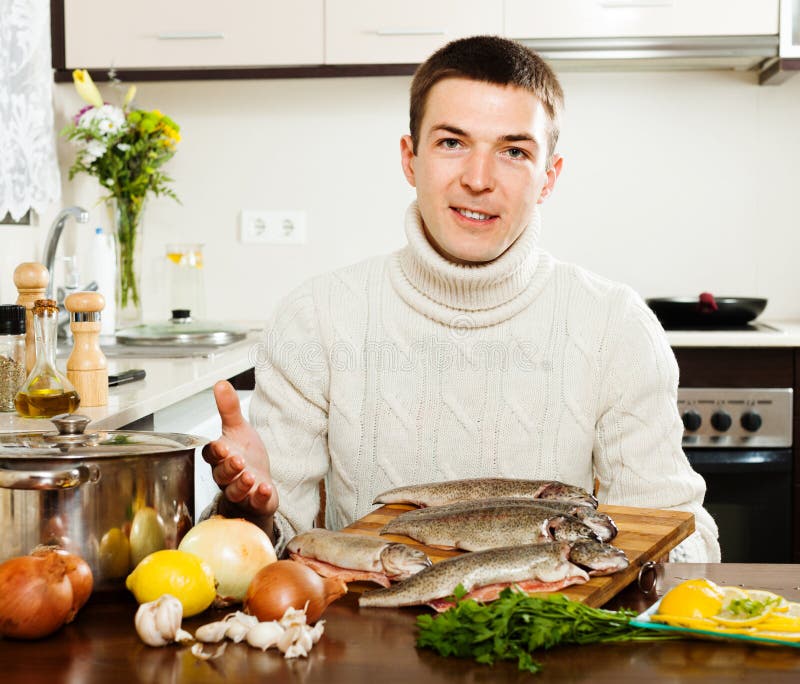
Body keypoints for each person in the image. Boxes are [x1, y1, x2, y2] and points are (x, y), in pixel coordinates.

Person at [203, 35, 720, 563]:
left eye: (514, 151)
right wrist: (248, 510)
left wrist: (642, 557)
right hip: (370, 635)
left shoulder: (615, 324)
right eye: (452, 143)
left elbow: (684, 539)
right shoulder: (315, 317)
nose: (478, 180)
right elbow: (274, 545)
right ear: (411, 158)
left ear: (549, 178)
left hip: (554, 637)